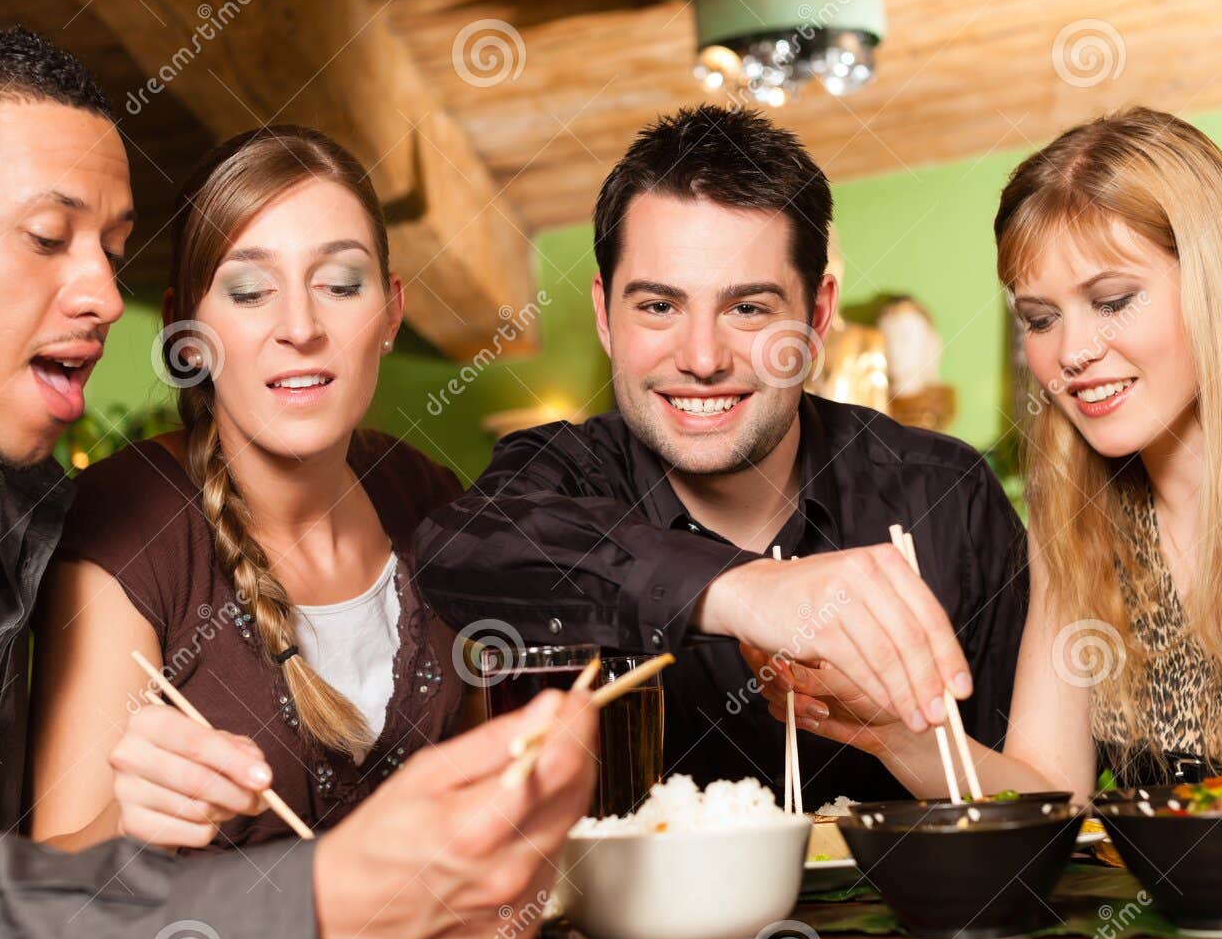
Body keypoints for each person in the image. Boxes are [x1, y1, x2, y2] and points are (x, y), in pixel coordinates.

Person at [0, 23, 595, 939]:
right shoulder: (73, 510)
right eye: (46, 235)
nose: (108, 295)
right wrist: (307, 899)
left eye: (112, 250)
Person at [772, 107, 1222, 802]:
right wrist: (894, 730)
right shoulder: (1077, 527)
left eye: (1113, 299)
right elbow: (1050, 799)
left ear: (1218, 287)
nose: (1071, 352)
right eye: (1040, 318)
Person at [416, 105, 1028, 805]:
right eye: (658, 307)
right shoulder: (561, 474)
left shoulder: (945, 495)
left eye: (748, 309)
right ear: (603, 314)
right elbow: (457, 551)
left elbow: (1031, 802)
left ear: (818, 315)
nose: (702, 359)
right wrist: (742, 590)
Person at [28, 126, 466, 851]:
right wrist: (129, 829)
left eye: (340, 284)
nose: (300, 326)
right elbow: (52, 883)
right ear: (186, 333)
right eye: (249, 290)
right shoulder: (128, 521)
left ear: (389, 313)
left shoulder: (425, 494)